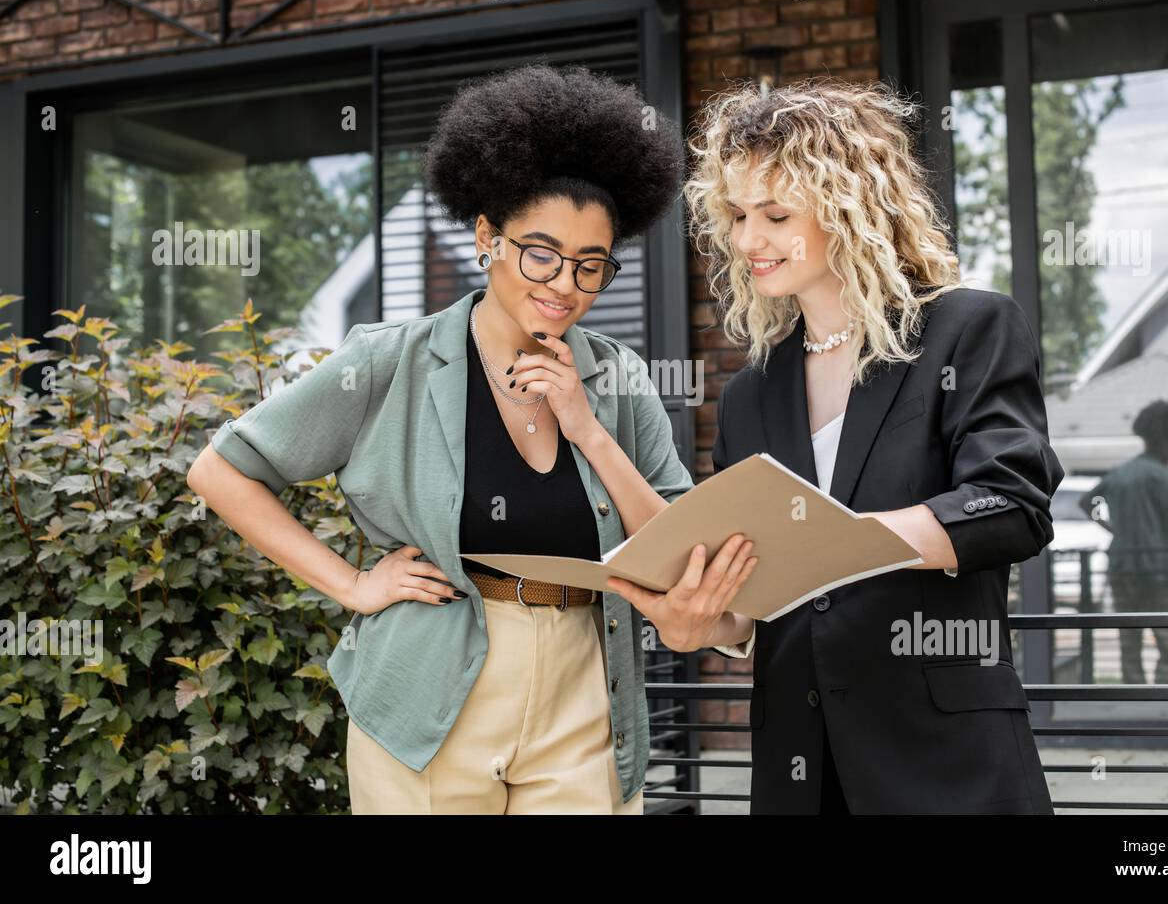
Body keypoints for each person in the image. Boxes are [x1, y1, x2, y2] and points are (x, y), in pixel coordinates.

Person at [186, 63, 755, 814]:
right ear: (488, 236)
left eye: (592, 266)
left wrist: (588, 429)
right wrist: (352, 586)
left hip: (583, 688)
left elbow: (681, 554)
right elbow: (222, 471)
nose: (565, 284)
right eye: (541, 252)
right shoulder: (388, 362)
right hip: (428, 692)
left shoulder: (617, 379)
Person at [616, 76, 1066, 813]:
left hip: (946, 761)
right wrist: (699, 619)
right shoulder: (750, 394)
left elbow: (1010, 505)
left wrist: (836, 543)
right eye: (735, 214)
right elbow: (755, 603)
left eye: (775, 213)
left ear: (849, 207)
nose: (747, 240)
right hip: (799, 767)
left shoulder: (969, 328)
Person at [1080, 400, 1168, 685]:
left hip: (1121, 564)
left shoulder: (1120, 472)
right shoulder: (1159, 475)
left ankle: (1134, 693)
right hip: (1158, 568)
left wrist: (1112, 528)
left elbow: (1086, 501)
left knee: (1129, 638)